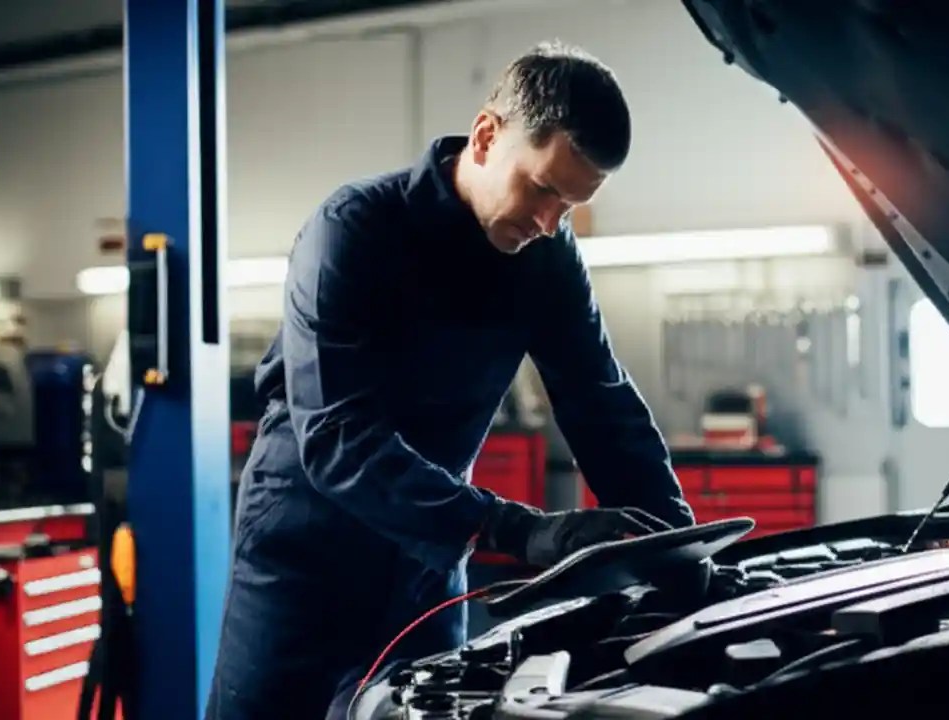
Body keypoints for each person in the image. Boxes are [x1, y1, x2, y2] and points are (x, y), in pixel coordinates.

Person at [205, 41, 695, 720]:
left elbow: (599, 400)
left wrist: (675, 542)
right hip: (304, 556)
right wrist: (515, 528)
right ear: (488, 136)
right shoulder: (353, 230)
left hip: (424, 565)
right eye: (545, 188)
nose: (551, 222)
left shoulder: (546, 256)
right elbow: (339, 439)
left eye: (571, 207)